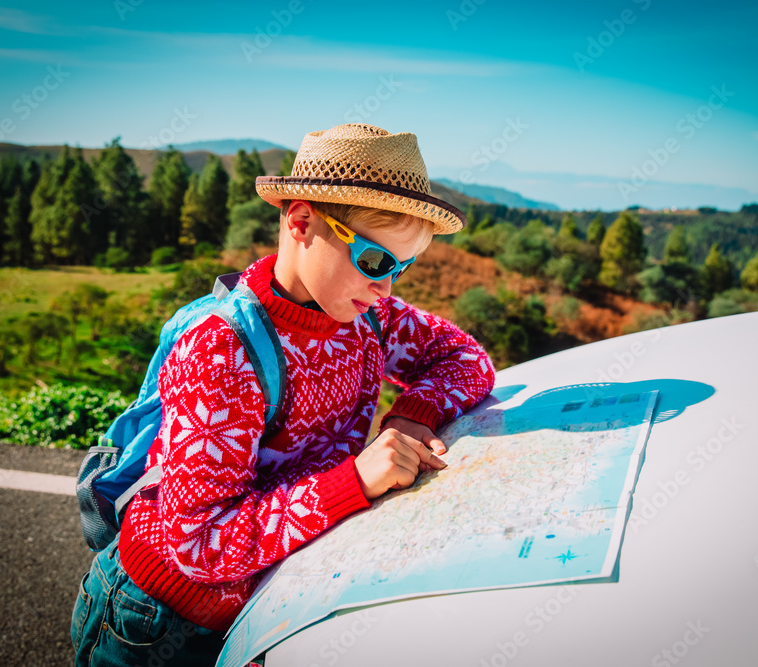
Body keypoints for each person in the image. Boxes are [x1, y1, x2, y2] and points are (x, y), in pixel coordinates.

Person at [71, 123, 496, 666]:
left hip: (261, 605)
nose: (388, 287)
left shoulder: (369, 319)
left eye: (404, 266)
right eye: (375, 261)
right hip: (156, 621)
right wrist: (353, 482)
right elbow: (198, 543)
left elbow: (465, 359)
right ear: (300, 221)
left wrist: (410, 415)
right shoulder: (223, 350)